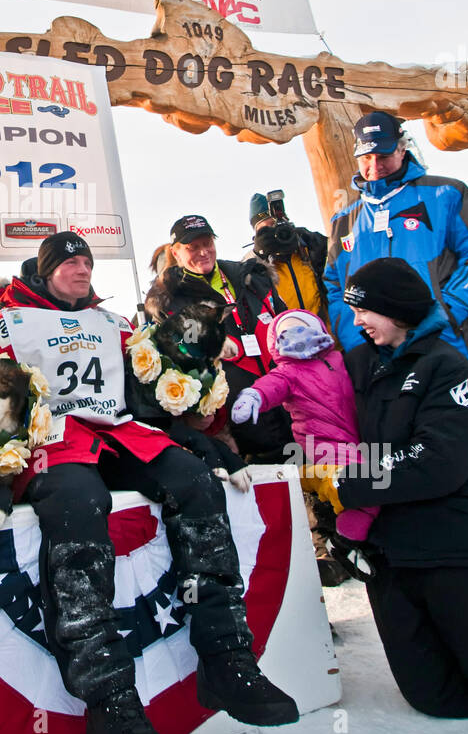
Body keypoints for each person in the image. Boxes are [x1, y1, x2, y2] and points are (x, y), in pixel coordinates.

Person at [0, 231, 298, 734]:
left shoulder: (113, 324)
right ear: (44, 271)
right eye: (69, 262)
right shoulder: (6, 326)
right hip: (53, 444)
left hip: (121, 435)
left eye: (88, 261)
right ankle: (109, 696)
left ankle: (227, 656)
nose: (82, 269)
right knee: (78, 502)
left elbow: (156, 383)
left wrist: (198, 418)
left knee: (193, 481)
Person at [333, 258, 468, 718]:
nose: (356, 321)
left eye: (363, 310)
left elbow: (437, 462)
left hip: (448, 549)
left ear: (395, 310)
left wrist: (348, 482)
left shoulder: (446, 365)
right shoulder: (357, 364)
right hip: (388, 556)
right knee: (431, 696)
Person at [230, 309, 375, 584]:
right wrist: (253, 396)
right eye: (288, 333)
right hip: (323, 443)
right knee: (361, 485)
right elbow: (270, 386)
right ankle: (347, 540)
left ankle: (353, 541)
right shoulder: (288, 373)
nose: (299, 336)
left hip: (358, 435)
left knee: (375, 479)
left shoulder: (339, 359)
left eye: (304, 328)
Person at [325, 112, 468, 357]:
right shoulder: (343, 220)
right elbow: (335, 286)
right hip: (379, 356)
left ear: (402, 150)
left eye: (384, 156)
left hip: (449, 342)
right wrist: (358, 344)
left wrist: (448, 311)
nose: (375, 167)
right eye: (366, 157)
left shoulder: (447, 193)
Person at [160, 215, 292, 461]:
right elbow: (177, 367)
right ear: (176, 253)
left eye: (207, 243)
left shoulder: (252, 278)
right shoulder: (170, 302)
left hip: (289, 409)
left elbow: (286, 322)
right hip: (238, 430)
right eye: (192, 247)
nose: (203, 252)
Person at [248, 191, 328, 321]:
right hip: (285, 329)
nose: (274, 232)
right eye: (266, 229)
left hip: (323, 326)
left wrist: (310, 239)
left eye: (275, 225)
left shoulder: (307, 247)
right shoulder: (252, 264)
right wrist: (260, 256)